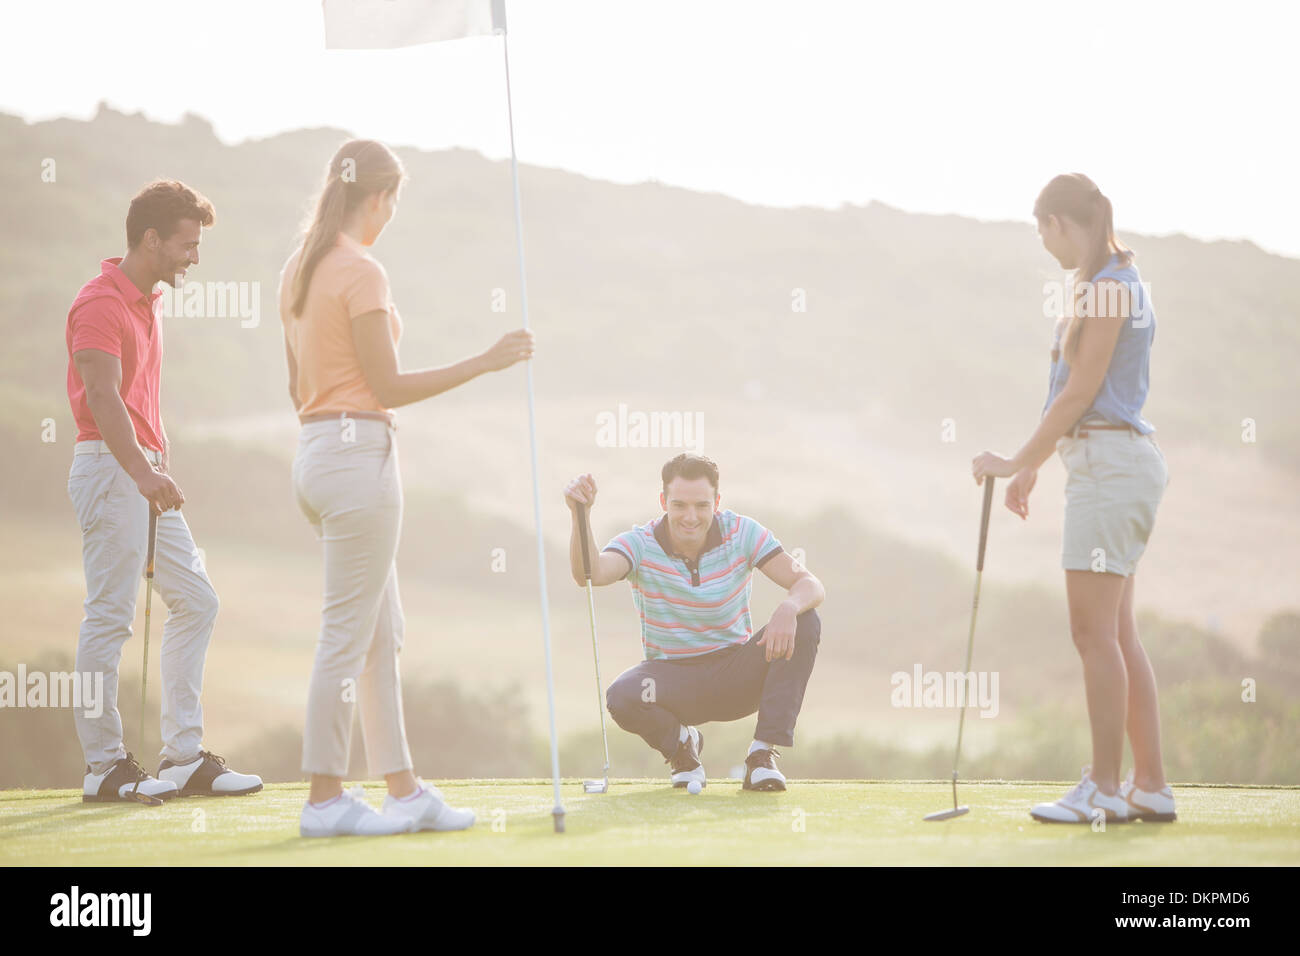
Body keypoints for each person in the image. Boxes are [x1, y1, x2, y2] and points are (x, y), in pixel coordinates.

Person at [280, 139, 536, 837]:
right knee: (346, 635)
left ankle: (403, 789)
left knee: (379, 633)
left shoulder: (300, 267)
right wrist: (484, 362)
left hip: (316, 454)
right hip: (358, 458)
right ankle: (326, 799)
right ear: (380, 198)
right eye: (395, 201)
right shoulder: (361, 271)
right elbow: (388, 385)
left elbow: (295, 383)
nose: (393, 214)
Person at [972, 173, 1174, 824]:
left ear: (1060, 223)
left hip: (1111, 468)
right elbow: (1074, 393)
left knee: (1093, 633)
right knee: (1116, 633)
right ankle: (1148, 787)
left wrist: (1016, 461)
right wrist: (1038, 466)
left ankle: (1106, 789)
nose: (1042, 243)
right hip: (1107, 464)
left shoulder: (1111, 290)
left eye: (1041, 229)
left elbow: (1081, 391)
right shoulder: (1105, 282)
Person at [66, 180, 263, 803]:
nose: (194, 258)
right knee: (110, 618)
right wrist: (143, 470)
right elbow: (102, 398)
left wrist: (156, 460)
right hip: (110, 467)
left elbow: (137, 400)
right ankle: (104, 767)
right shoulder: (100, 302)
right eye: (187, 245)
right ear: (150, 239)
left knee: (198, 601)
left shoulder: (148, 303)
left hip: (142, 470)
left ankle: (181, 759)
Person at [563, 453, 825, 792]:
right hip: (671, 686)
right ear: (663, 502)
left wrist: (789, 607)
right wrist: (579, 514)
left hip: (736, 677)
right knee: (623, 695)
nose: (690, 517)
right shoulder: (640, 543)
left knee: (806, 620)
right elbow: (589, 574)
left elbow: (810, 585)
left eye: (702, 506)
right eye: (679, 505)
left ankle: (762, 756)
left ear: (717, 502)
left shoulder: (741, 532)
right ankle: (682, 750)